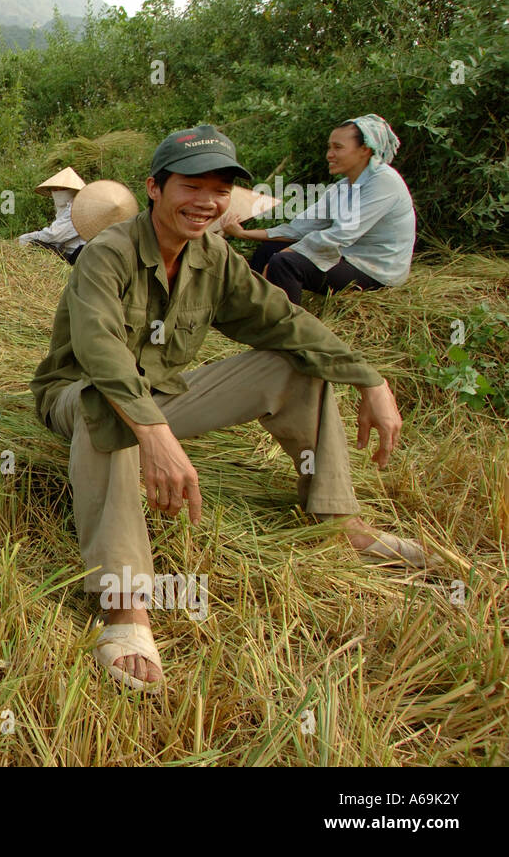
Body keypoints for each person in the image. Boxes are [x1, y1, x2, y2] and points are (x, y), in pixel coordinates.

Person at [31, 125, 436, 692]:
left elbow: (283, 320)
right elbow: (101, 354)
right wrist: (154, 433)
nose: (207, 201)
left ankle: (339, 520)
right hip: (80, 396)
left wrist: (369, 379)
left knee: (295, 362)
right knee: (110, 408)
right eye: (191, 185)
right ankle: (125, 608)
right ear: (154, 187)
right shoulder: (108, 253)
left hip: (164, 392)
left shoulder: (212, 255)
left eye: (220, 189)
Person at [223, 114, 416, 306]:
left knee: (285, 263)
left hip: (376, 271)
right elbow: (302, 228)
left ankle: (286, 328)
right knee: (268, 251)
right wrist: (244, 233)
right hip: (348, 256)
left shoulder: (384, 182)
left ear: (364, 150)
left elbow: (341, 235)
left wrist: (287, 254)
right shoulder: (343, 186)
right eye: (329, 147)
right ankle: (248, 309)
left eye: (338, 147)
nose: (329, 154)